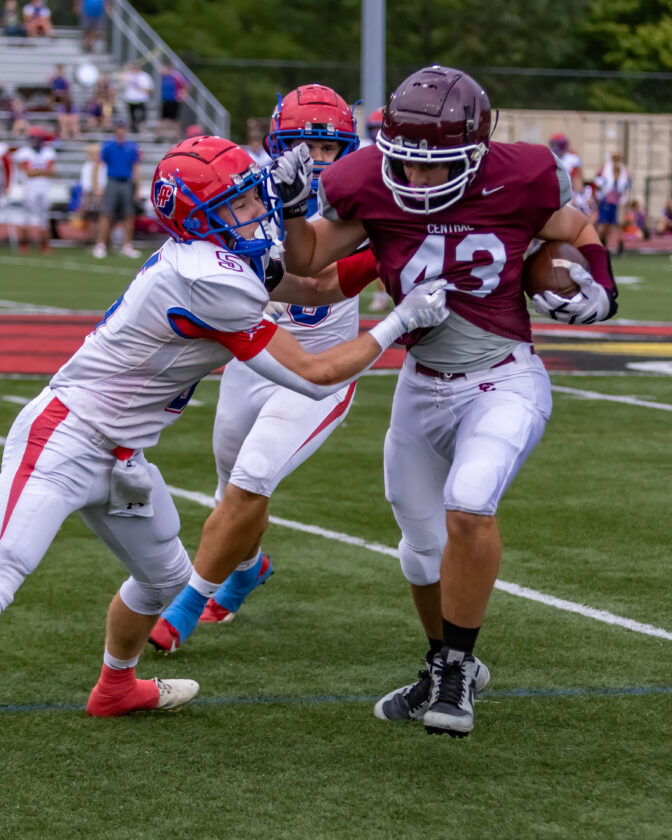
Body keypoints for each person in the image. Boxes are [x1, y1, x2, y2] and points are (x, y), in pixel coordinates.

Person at [0, 134, 450, 716]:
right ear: (202, 220)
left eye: (250, 196)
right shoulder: (207, 276)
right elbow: (314, 375)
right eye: (238, 204)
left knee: (164, 580)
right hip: (65, 438)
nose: (253, 210)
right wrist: (398, 323)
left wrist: (385, 241)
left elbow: (313, 283)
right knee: (6, 566)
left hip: (123, 455)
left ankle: (116, 686)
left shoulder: (220, 259)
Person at [269, 65, 619, 738]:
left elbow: (576, 227)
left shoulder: (522, 175)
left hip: (502, 377)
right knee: (418, 544)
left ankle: (457, 670)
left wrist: (599, 285)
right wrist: (288, 210)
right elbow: (309, 258)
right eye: (408, 163)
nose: (421, 179)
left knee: (470, 502)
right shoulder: (368, 179)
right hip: (421, 382)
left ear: (478, 149)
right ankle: (441, 662)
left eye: (439, 166)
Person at [150, 84, 366, 647]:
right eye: (303, 146)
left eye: (329, 149)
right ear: (277, 143)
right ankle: (248, 570)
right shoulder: (249, 191)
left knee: (253, 475)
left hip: (317, 371)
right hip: (256, 357)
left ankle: (186, 605)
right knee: (231, 489)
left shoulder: (362, 203)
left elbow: (321, 283)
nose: (317, 162)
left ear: (350, 148)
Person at [93, 118, 141, 259]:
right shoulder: (108, 146)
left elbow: (136, 168)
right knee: (106, 213)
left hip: (126, 182)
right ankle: (100, 244)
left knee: (128, 214)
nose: (120, 130)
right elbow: (98, 165)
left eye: (123, 127)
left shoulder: (132, 147)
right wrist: (97, 186)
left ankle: (127, 245)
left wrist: (137, 188)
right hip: (113, 181)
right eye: (118, 127)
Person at [12, 124, 55, 252]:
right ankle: (24, 243)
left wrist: (36, 171)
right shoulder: (24, 152)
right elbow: (28, 173)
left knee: (44, 217)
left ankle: (44, 244)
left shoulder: (48, 152)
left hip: (43, 187)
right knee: (26, 216)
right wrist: (42, 171)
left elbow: (51, 171)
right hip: (29, 187)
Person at [594, 151, 631, 255]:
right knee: (602, 225)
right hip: (606, 200)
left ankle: (608, 247)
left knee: (612, 225)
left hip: (615, 202)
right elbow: (598, 181)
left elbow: (626, 186)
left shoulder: (623, 171)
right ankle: (596, 244)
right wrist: (598, 195)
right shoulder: (605, 168)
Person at [158, 62, 189, 143]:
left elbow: (186, 84)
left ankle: (176, 135)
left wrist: (183, 93)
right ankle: (160, 135)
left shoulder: (175, 76)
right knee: (163, 118)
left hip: (174, 100)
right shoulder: (164, 76)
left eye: (163, 68)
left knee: (174, 119)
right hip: (165, 100)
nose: (162, 70)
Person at [122, 62, 154, 134]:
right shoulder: (128, 75)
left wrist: (140, 88)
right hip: (130, 99)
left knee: (142, 115)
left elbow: (149, 89)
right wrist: (126, 70)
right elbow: (122, 81)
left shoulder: (145, 76)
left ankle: (139, 126)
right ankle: (133, 128)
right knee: (132, 116)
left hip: (141, 99)